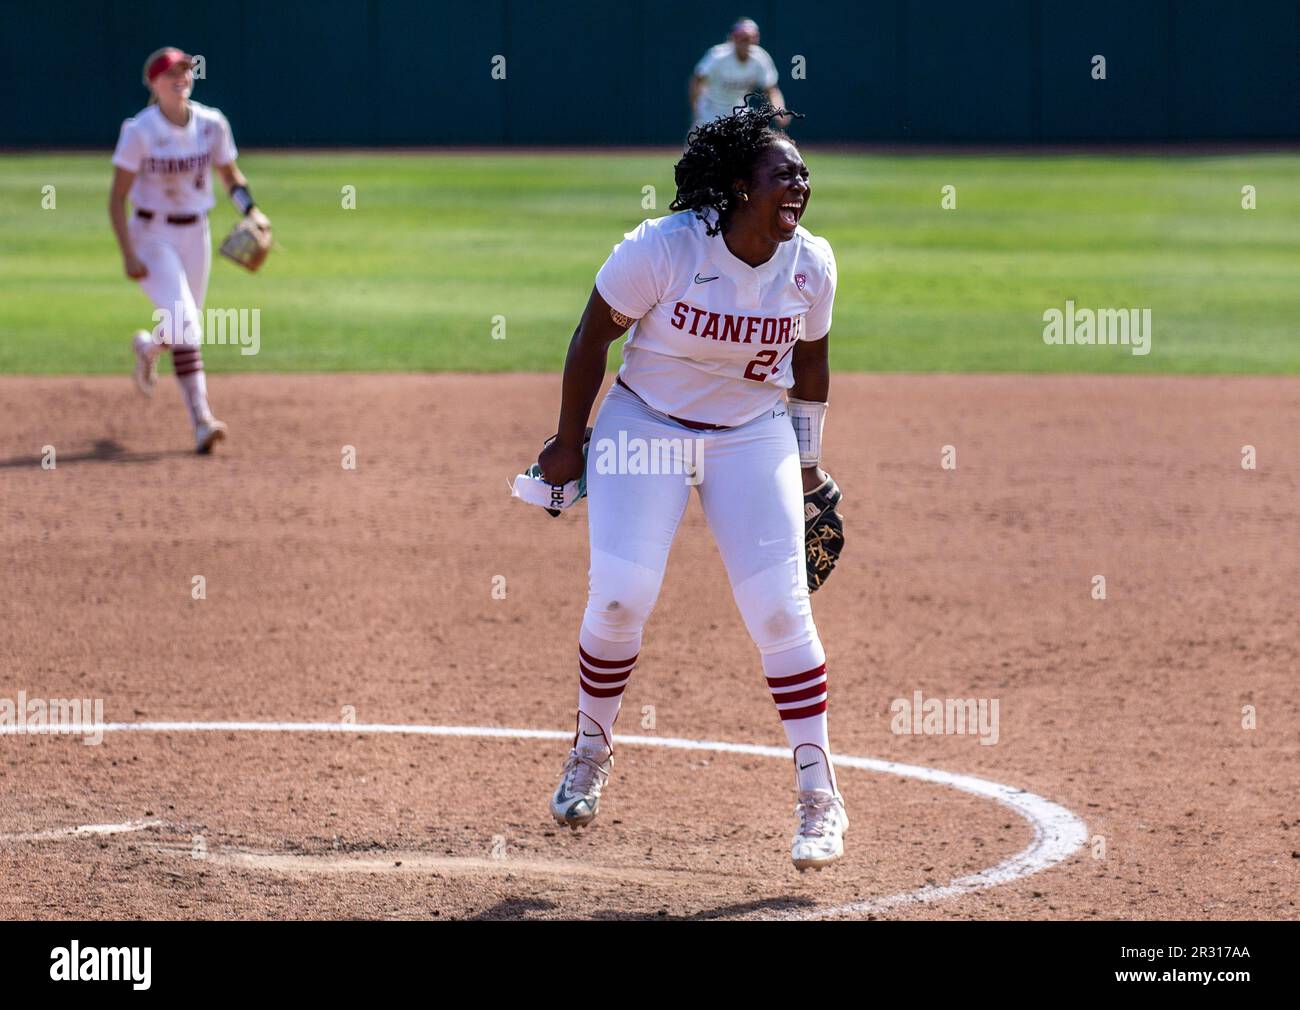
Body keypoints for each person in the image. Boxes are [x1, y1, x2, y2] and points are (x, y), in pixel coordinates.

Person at [538, 98, 846, 871]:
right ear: (740, 185)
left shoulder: (811, 264)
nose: (799, 186)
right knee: (620, 596)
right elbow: (591, 339)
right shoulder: (665, 248)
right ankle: (590, 751)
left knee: (781, 610)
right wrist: (569, 443)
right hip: (646, 425)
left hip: (751, 433)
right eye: (782, 175)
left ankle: (820, 799)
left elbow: (810, 366)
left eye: (804, 175)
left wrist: (809, 469)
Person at [108, 46, 271, 453]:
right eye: (170, 73)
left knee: (185, 324)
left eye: (185, 70)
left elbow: (230, 176)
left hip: (196, 233)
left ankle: (149, 347)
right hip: (151, 234)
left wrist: (252, 211)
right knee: (185, 323)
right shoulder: (139, 131)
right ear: (153, 83)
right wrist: (128, 253)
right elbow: (117, 198)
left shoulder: (212, 124)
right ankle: (202, 420)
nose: (180, 77)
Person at [689, 18, 789, 130]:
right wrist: (696, 108)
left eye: (751, 38)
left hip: (739, 110)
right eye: (742, 38)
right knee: (702, 140)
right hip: (711, 110)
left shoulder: (760, 58)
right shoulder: (718, 56)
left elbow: (771, 90)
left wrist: (779, 110)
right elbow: (697, 80)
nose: (747, 42)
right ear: (733, 38)